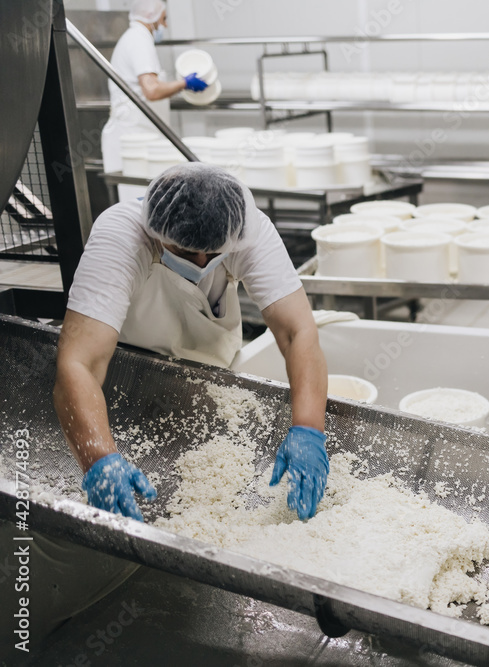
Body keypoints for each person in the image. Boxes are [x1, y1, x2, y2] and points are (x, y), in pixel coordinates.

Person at [53, 162, 330, 523]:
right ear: (155, 231)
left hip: (211, 370)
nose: (201, 261)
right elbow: (79, 363)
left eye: (214, 254)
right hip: (126, 376)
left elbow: (298, 332)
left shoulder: (244, 229)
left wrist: (308, 428)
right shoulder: (121, 235)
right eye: (185, 251)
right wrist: (100, 459)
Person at [100, 0, 208, 188]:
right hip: (134, 139)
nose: (165, 25)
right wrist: (185, 83)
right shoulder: (139, 40)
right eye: (164, 19)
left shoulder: (134, 37)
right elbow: (151, 90)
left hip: (136, 136)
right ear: (151, 17)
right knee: (141, 203)